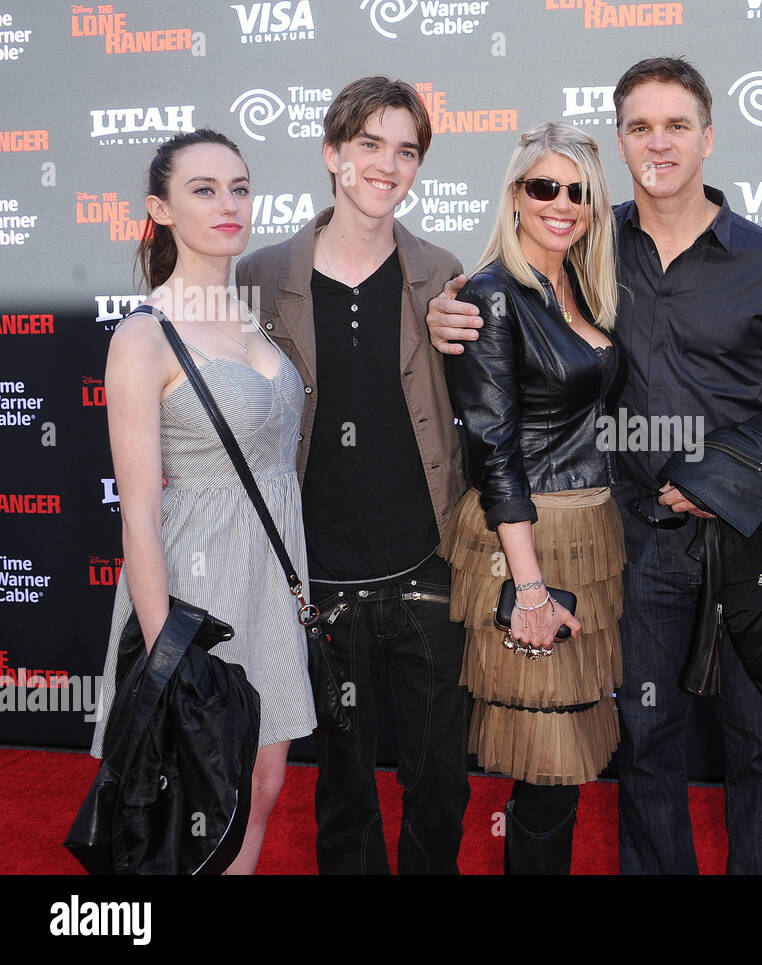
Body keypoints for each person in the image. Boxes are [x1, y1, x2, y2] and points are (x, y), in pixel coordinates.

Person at [429, 57, 762, 875]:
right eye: (640, 127)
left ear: (708, 137)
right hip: (635, 540)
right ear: (620, 140)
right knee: (647, 743)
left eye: (677, 124)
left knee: (758, 746)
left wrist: (720, 481)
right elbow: (511, 298)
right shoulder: (587, 245)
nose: (660, 142)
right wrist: (450, 306)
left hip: (746, 541)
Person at [236, 76, 469, 875]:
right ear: (332, 154)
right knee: (342, 791)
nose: (387, 164)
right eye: (369, 143)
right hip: (319, 578)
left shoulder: (443, 274)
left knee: (440, 784)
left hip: (430, 572)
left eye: (406, 150)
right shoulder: (261, 279)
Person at [91, 128, 316, 874]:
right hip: (197, 594)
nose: (229, 204)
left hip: (272, 582)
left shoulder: (258, 317)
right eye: (204, 189)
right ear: (160, 208)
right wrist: (168, 657)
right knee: (200, 796)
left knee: (262, 784)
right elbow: (141, 514)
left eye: (240, 187)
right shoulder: (143, 335)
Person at [441, 121, 623, 874]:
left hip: (592, 529)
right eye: (544, 186)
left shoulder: (580, 281)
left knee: (568, 762)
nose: (563, 203)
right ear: (515, 194)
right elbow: (494, 452)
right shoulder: (491, 296)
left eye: (578, 191)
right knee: (546, 766)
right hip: (529, 538)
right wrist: (531, 587)